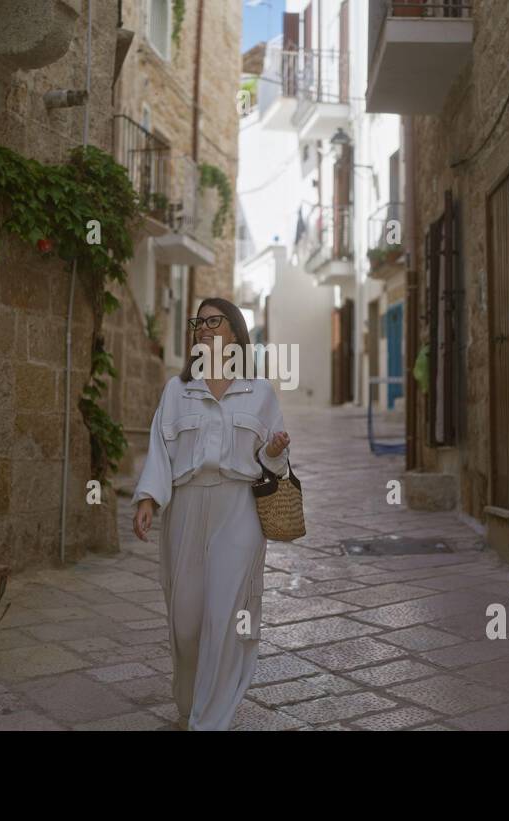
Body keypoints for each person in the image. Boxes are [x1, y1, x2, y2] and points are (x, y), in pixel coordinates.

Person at [131, 298, 291, 731]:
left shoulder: (259, 392)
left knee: (224, 615)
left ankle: (210, 720)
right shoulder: (176, 390)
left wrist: (274, 452)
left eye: (212, 321)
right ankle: (190, 700)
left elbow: (274, 461)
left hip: (238, 510)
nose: (201, 328)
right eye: (197, 322)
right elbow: (160, 451)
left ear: (236, 333)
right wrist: (148, 498)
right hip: (185, 507)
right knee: (185, 620)